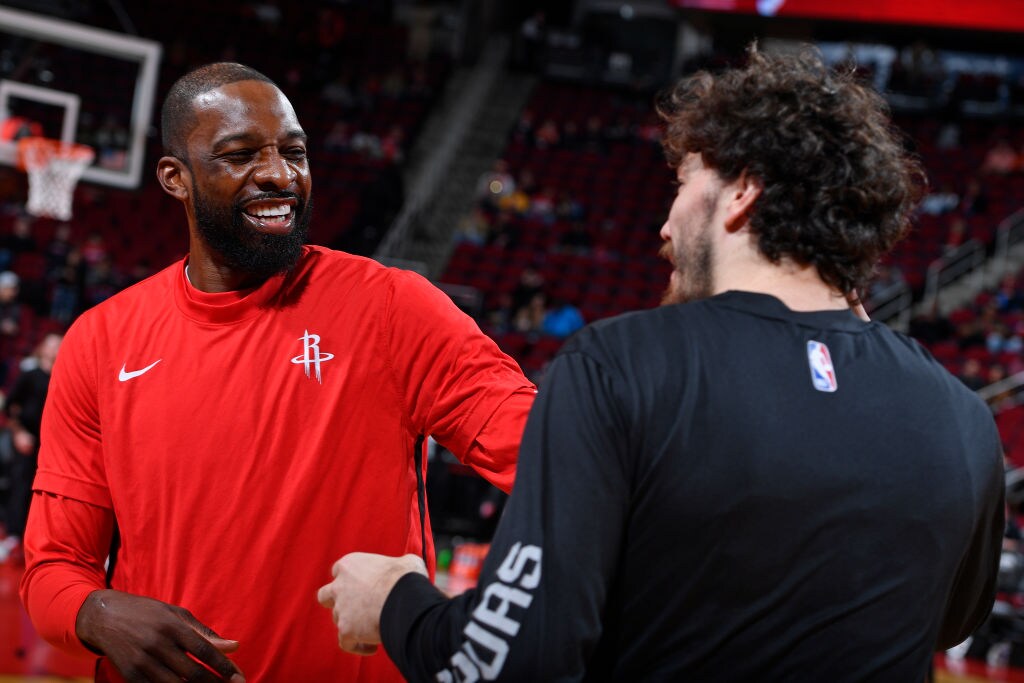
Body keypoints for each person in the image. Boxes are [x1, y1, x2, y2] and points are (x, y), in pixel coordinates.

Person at [317, 45, 1005, 681]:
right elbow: (950, 617)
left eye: (681, 183)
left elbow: (512, 662)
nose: (664, 225)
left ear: (742, 192)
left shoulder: (616, 366)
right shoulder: (963, 417)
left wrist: (396, 601)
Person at [20, 63, 536, 682]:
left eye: (293, 151)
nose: (278, 174)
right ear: (174, 178)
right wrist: (95, 610)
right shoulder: (100, 342)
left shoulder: (393, 307)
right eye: (240, 155)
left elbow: (548, 456)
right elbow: (53, 569)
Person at [0, 332, 62, 563]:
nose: (56, 348)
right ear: (43, 348)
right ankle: (13, 537)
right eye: (52, 344)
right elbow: (10, 405)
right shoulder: (30, 375)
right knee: (19, 487)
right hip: (26, 440)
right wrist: (18, 433)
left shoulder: (62, 375)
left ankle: (37, 541)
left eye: (60, 344)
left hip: (50, 444)